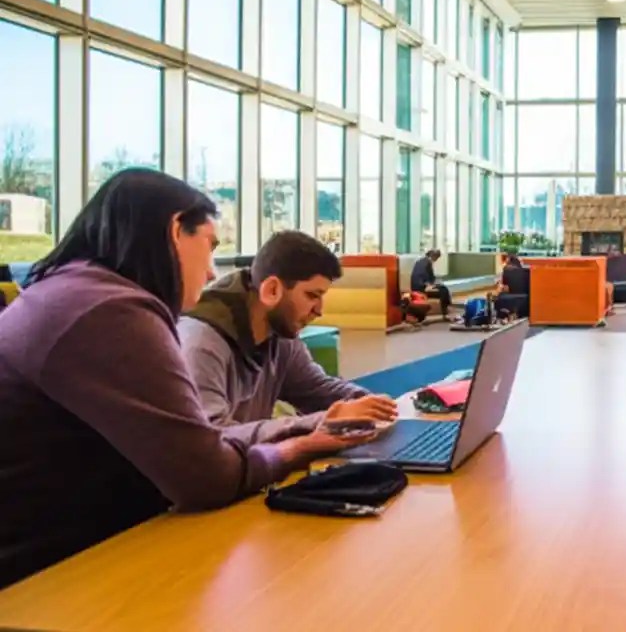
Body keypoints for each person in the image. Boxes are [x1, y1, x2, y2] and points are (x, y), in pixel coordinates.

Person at [0, 170, 372, 589]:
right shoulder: (110, 312)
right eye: (211, 246)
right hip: (44, 576)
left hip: (72, 550)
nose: (213, 271)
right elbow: (206, 475)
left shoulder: (74, 292)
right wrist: (303, 445)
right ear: (176, 229)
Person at [178, 231, 398, 445]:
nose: (319, 310)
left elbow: (314, 388)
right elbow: (210, 438)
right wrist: (321, 422)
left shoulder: (281, 336)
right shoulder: (201, 343)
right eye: (312, 296)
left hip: (248, 472)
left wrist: (368, 404)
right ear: (272, 290)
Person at [410, 249, 452, 321]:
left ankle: (446, 310)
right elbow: (428, 278)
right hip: (421, 288)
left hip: (417, 286)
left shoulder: (420, 261)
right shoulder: (427, 263)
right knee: (443, 290)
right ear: (434, 257)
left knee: (442, 288)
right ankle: (445, 313)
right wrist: (430, 285)